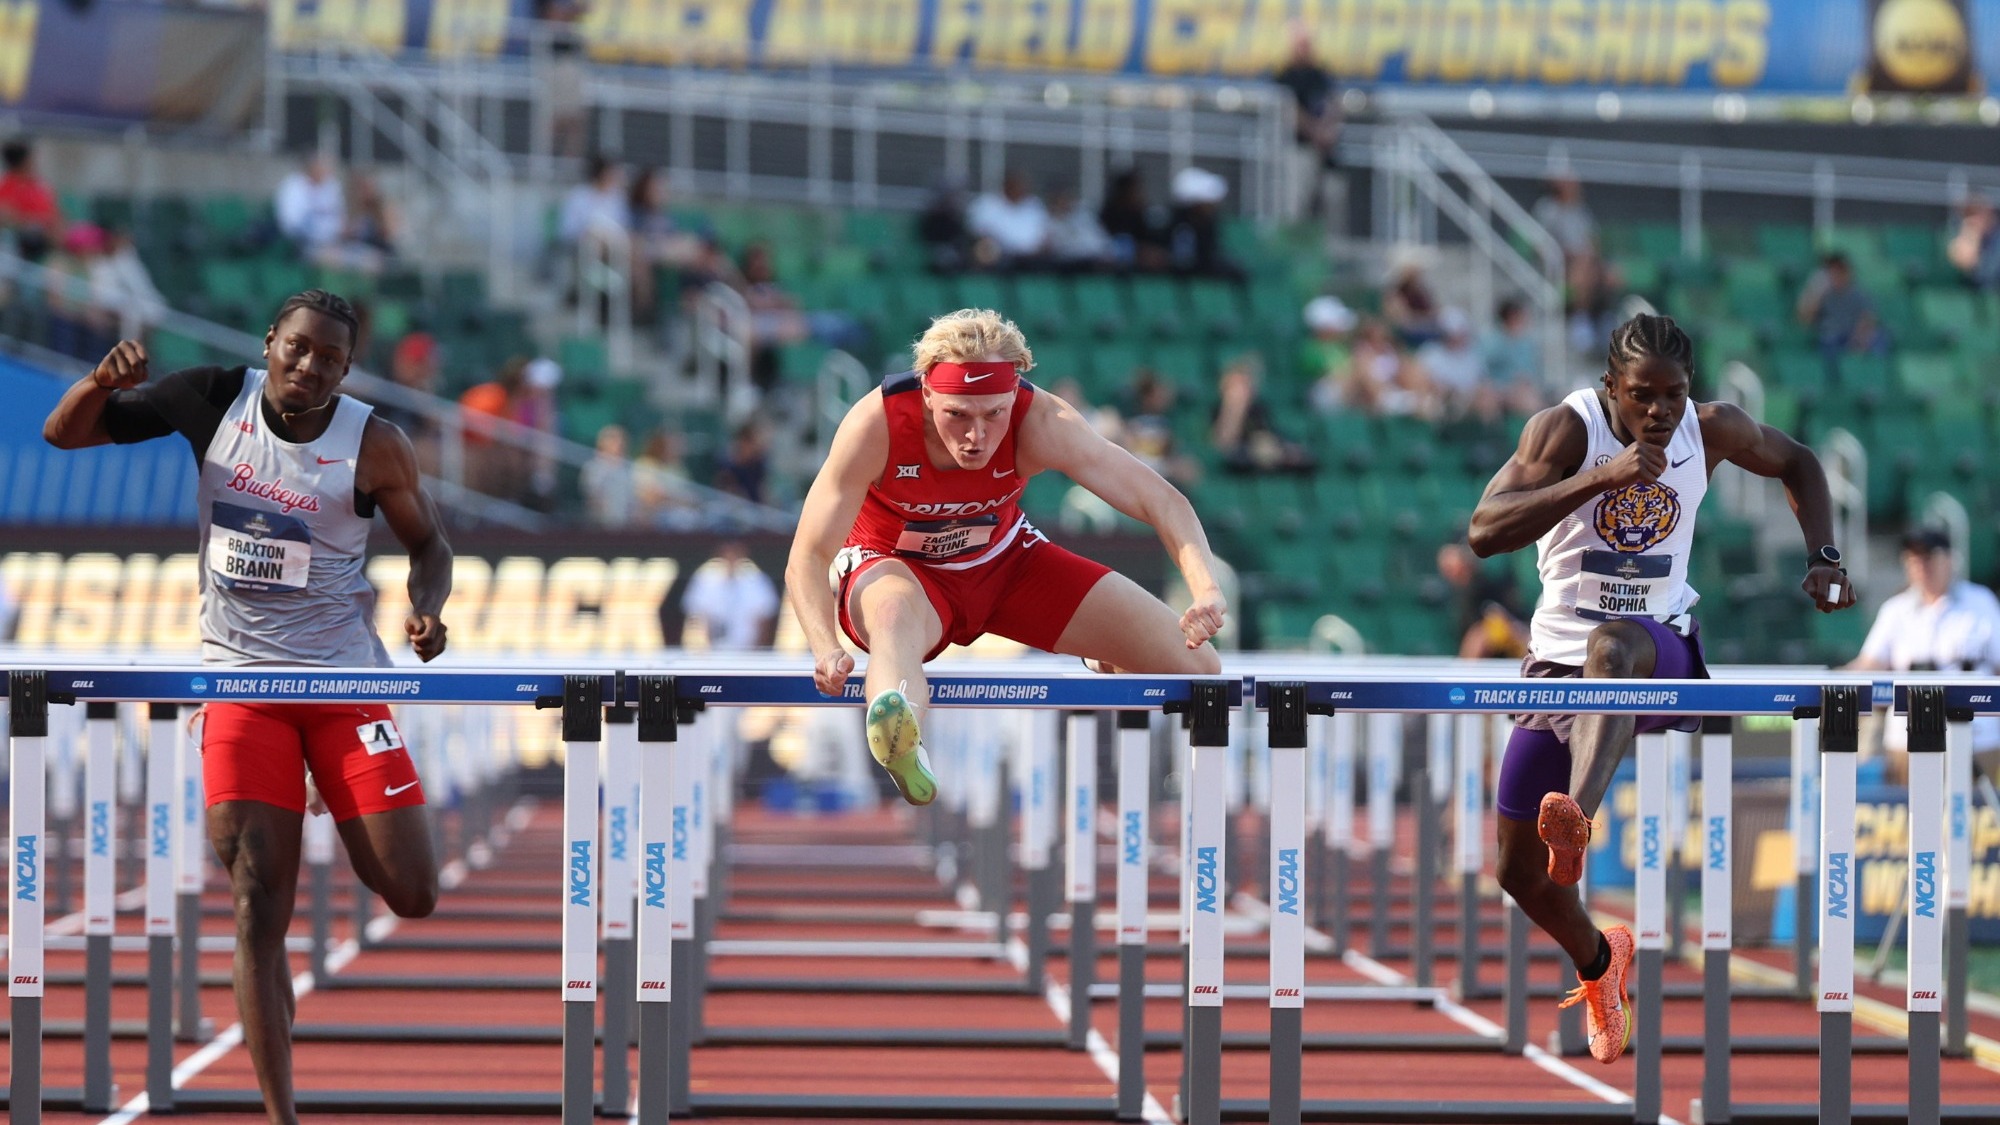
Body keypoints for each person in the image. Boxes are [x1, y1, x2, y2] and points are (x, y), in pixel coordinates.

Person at [41, 289, 452, 1125]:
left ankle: (329, 788)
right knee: (258, 900)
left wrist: (429, 607)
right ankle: (281, 1116)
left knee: (411, 890)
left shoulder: (374, 444)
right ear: (270, 342)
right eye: (298, 349)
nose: (310, 368)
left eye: (330, 359)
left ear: (347, 369)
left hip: (343, 686)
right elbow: (67, 433)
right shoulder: (209, 399)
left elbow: (429, 544)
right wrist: (98, 380)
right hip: (241, 682)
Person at [1467, 313, 1855, 1065]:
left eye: (1673, 395)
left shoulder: (1710, 431)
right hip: (1557, 663)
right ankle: (1599, 960)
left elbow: (1800, 462)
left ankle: (1576, 816)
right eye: (1642, 395)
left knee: (1617, 646)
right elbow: (1483, 529)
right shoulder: (1565, 431)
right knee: (1515, 870)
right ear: (1611, 387)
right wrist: (1600, 477)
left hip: (1659, 646)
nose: (1658, 412)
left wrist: (1826, 553)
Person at [786, 308, 1227, 804]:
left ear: (1013, 395)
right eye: (958, 415)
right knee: (891, 613)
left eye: (993, 414)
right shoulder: (876, 423)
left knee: (1198, 670)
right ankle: (902, 737)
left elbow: (1161, 499)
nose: (976, 437)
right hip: (895, 569)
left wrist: (1205, 588)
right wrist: (824, 647)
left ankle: (1098, 650)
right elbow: (809, 552)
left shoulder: (1042, 419)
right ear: (927, 392)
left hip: (1006, 562)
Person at [1846, 527, 2000, 768]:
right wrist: (1830, 680)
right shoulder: (1896, 609)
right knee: (1910, 805)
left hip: (1976, 735)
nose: (1921, 566)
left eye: (1928, 557)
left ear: (1949, 559)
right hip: (1909, 736)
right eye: (1912, 559)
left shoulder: (1980, 602)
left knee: (1978, 805)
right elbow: (1870, 663)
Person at [682, 540, 780, 650]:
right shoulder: (704, 579)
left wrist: (757, 650)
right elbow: (696, 618)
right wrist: (702, 652)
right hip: (713, 652)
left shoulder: (757, 579)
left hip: (748, 651)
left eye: (735, 553)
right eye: (727, 553)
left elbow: (765, 621)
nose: (731, 557)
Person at [1437, 542, 1528, 659]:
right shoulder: (1458, 595)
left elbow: (1509, 624)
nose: (1451, 572)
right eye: (1446, 569)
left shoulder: (1488, 589)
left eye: (1451, 567)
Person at [1796, 252, 1884, 357]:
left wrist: (1858, 339)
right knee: (1829, 342)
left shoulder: (1858, 293)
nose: (1837, 274)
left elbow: (1869, 318)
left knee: (1879, 338)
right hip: (1831, 337)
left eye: (1840, 270)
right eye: (1833, 270)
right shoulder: (1821, 293)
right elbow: (1804, 320)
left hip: (1852, 336)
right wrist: (1816, 291)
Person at [0, 137, 62, 261]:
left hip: (45, 244)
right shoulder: (5, 186)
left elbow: (55, 218)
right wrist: (32, 221)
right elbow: (6, 217)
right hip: (17, 245)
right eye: (32, 159)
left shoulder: (40, 187)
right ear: (25, 161)